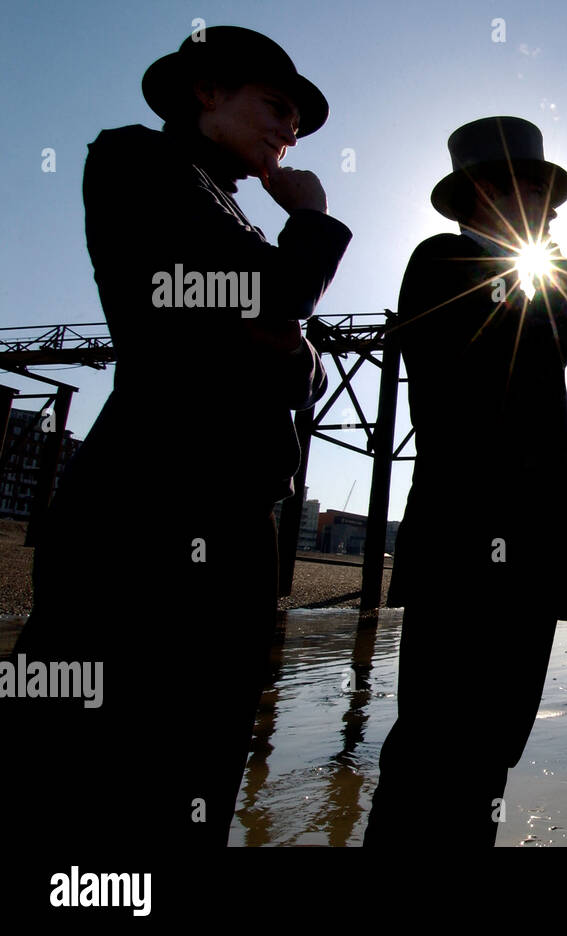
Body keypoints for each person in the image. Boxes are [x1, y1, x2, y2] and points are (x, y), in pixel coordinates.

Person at [6, 26, 350, 848]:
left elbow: (293, 366)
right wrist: (308, 218)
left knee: (202, 750)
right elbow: (272, 294)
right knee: (74, 742)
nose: (287, 133)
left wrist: (270, 334)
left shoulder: (225, 208)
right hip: (146, 505)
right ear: (207, 91)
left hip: (233, 514)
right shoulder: (136, 161)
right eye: (276, 106)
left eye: (296, 125)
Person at [365, 116, 567, 847]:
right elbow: (506, 365)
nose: (551, 211)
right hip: (470, 552)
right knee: (438, 756)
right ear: (485, 192)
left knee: (486, 760)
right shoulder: (441, 261)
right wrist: (552, 286)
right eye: (535, 190)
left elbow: (530, 373)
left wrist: (550, 287)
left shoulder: (517, 282)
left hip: (527, 555)